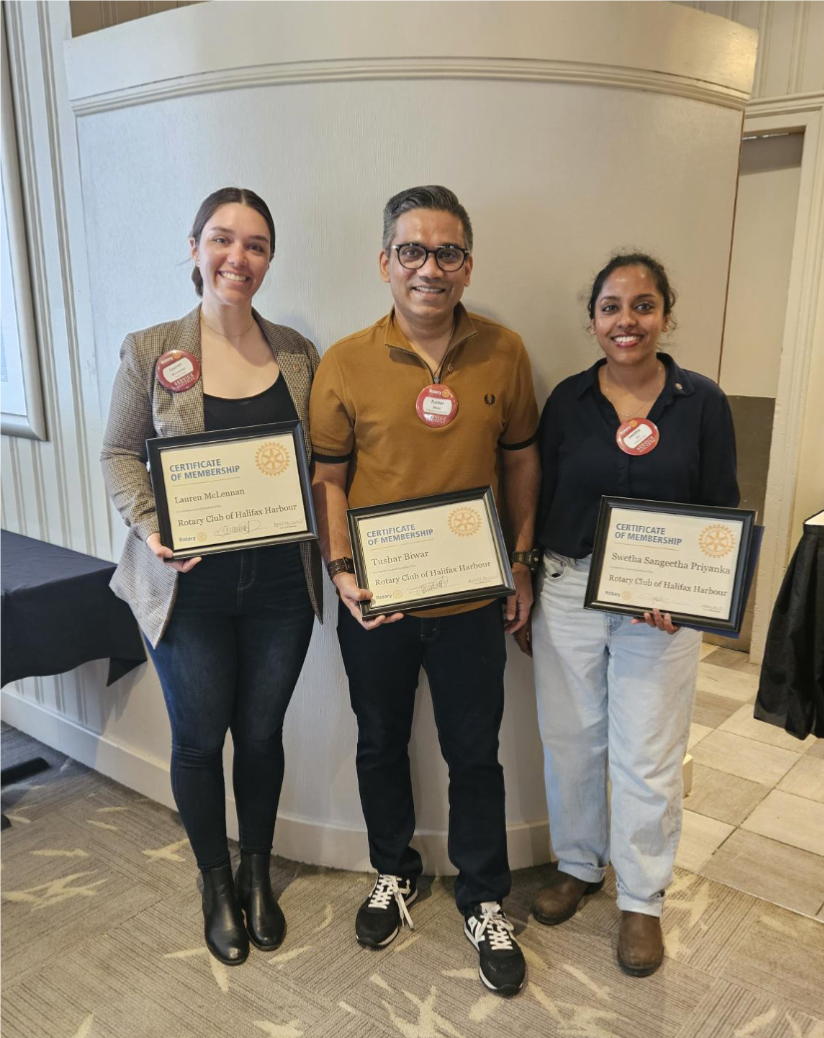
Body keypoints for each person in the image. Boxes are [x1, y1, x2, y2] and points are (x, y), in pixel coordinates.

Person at [310, 185, 540, 997]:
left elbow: (519, 460)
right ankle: (394, 869)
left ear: (467, 264)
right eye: (412, 250)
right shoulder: (344, 361)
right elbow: (328, 478)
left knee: (475, 754)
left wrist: (520, 560)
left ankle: (483, 897)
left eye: (446, 252)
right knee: (379, 740)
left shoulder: (504, 353)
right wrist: (342, 571)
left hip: (474, 603)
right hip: (378, 604)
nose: (429, 268)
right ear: (384, 262)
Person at [101, 187, 323, 966]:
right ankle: (214, 881)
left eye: (256, 244)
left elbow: (316, 466)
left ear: (269, 258)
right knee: (199, 740)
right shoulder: (152, 347)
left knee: (261, 736)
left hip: (278, 589)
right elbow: (119, 454)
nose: (239, 257)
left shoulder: (297, 353)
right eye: (223, 240)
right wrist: (151, 525)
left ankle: (257, 873)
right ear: (194, 248)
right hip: (185, 588)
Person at [524, 253, 738, 977]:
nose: (626, 321)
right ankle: (580, 866)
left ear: (666, 316)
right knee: (571, 740)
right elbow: (545, 497)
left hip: (660, 609)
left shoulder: (700, 401)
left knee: (647, 753)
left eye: (642, 306)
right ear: (592, 320)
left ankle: (641, 899)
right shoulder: (566, 401)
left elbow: (719, 508)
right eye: (611, 307)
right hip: (569, 591)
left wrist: (688, 590)